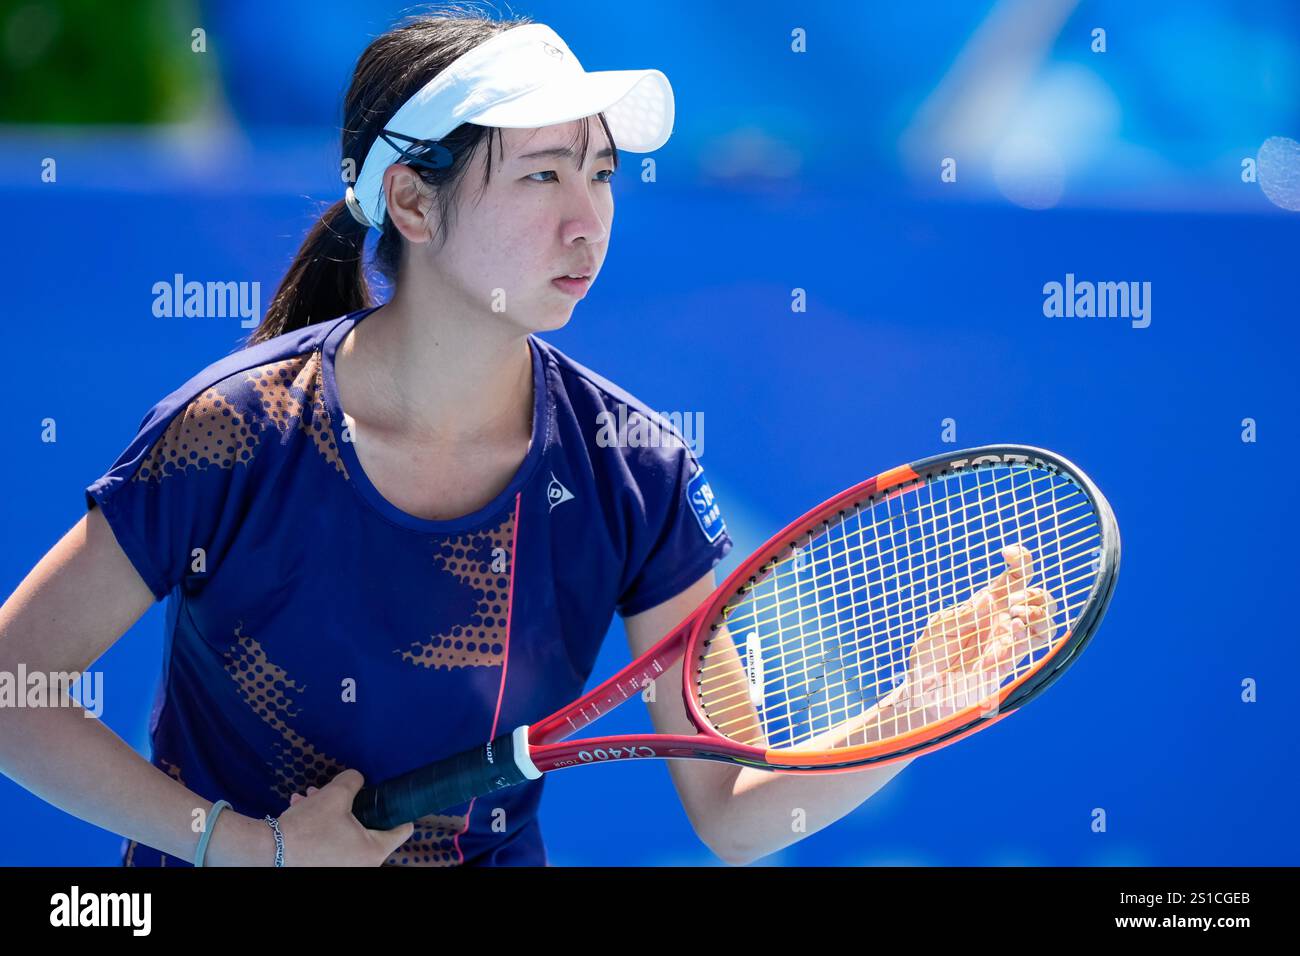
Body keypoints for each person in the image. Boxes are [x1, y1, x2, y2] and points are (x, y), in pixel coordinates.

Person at [0, 10, 914, 868]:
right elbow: (14, 694)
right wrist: (249, 845)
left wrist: (915, 707)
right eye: (541, 173)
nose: (585, 220)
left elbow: (732, 805)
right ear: (411, 202)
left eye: (600, 174)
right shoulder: (231, 434)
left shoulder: (636, 473)